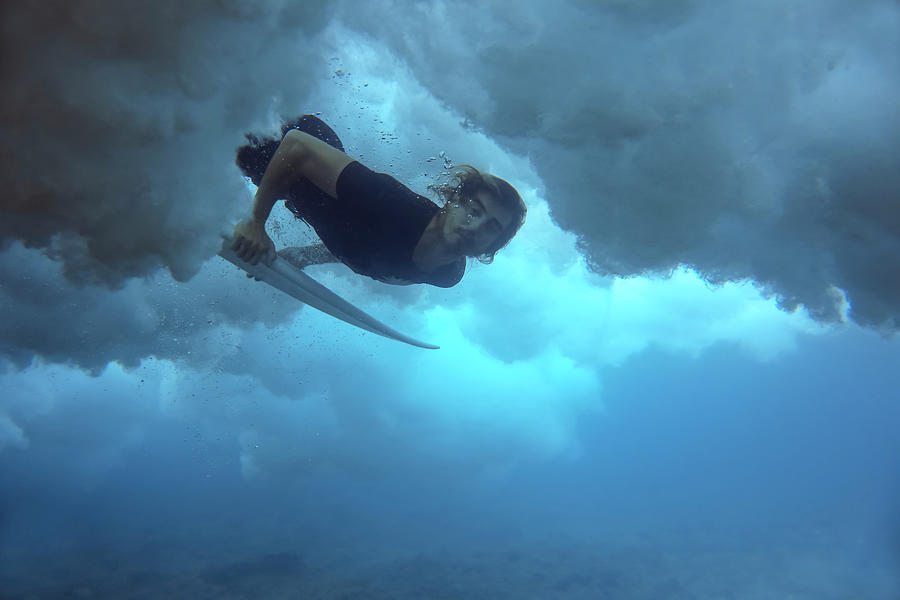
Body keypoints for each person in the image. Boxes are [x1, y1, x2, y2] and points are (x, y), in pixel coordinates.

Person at [231, 115, 526, 288]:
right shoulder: (391, 204)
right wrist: (256, 223)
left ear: (493, 246)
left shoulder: (447, 274)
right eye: (474, 211)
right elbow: (296, 145)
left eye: (492, 228)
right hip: (279, 144)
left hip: (294, 186)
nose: (476, 228)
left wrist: (304, 256)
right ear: (453, 201)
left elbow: (369, 246)